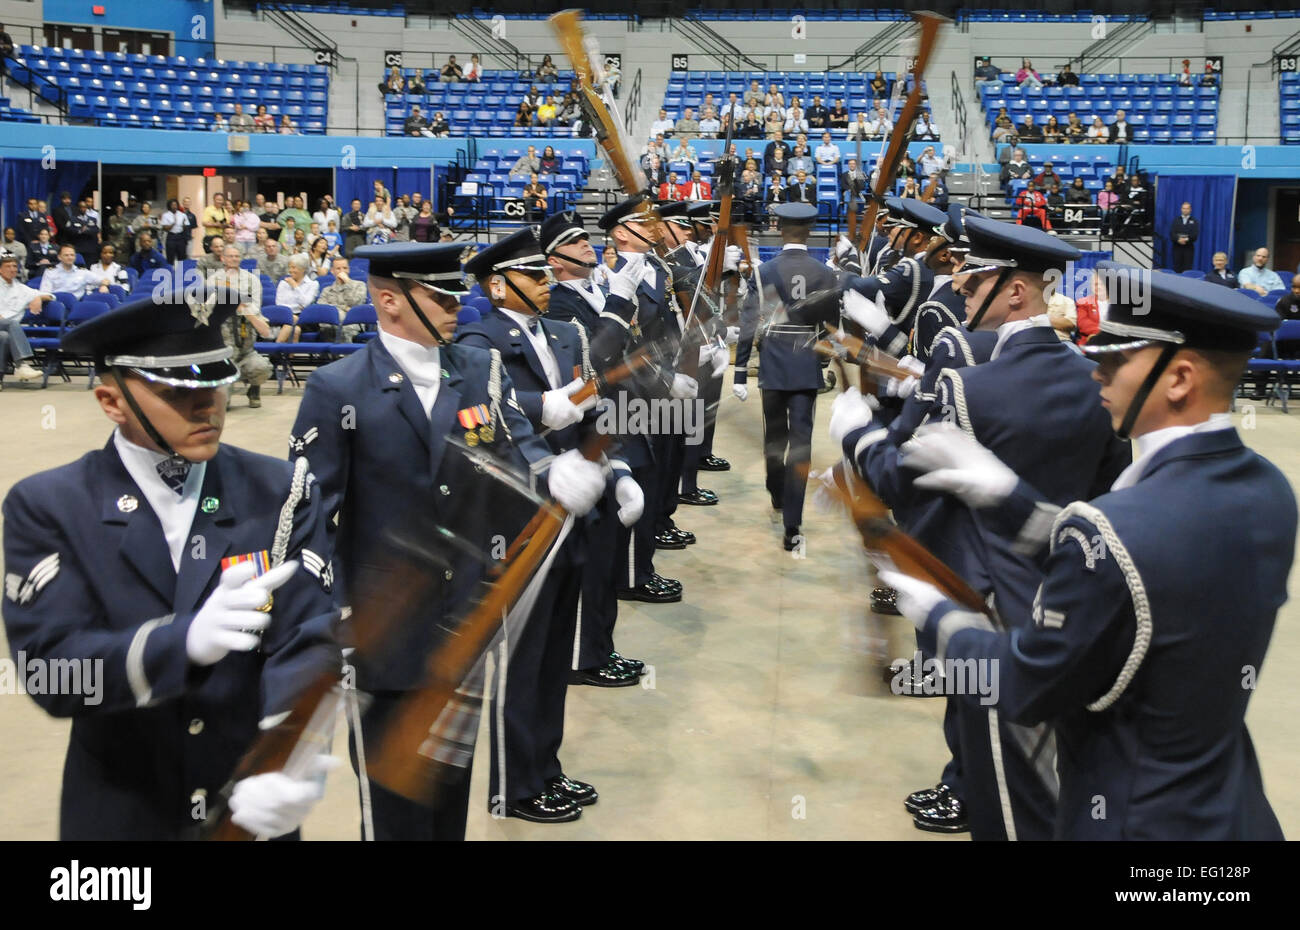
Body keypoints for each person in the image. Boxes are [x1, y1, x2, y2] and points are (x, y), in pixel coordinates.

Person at [882, 266, 1291, 839]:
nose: (1097, 370)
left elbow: (1024, 687)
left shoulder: (1113, 527)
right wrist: (1009, 498)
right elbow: (1147, 570)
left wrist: (941, 614)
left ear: (1179, 379)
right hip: (1233, 814)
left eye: (1117, 359)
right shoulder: (1270, 490)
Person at [289, 240, 603, 839]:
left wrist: (550, 477)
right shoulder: (339, 389)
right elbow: (310, 517)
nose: (455, 306)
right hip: (383, 633)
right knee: (392, 817)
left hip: (463, 626)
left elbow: (511, 451)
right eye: (438, 296)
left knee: (445, 807)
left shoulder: (475, 371)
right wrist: (325, 625)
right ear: (389, 300)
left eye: (456, 294)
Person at [2, 288, 340, 839]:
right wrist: (178, 644)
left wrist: (289, 750)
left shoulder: (280, 489)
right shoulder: (50, 505)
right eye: (176, 390)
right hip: (126, 808)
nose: (205, 406)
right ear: (112, 402)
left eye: (214, 382)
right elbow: (51, 671)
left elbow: (308, 632)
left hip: (248, 798)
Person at [833, 217, 1128, 840]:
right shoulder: (1097, 380)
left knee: (1001, 781)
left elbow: (895, 478)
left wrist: (855, 432)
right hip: (1065, 588)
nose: (961, 295)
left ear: (1015, 292)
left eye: (975, 285)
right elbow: (1108, 491)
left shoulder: (965, 386)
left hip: (982, 592)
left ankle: (965, 790)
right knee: (1051, 760)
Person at [457, 227, 630, 822]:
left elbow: (591, 405)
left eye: (544, 272)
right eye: (533, 276)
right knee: (525, 656)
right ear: (498, 284)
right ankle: (514, 784)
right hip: (521, 511)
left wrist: (615, 466)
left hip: (574, 507)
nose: (546, 282)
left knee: (556, 648)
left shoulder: (564, 330)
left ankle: (545, 768)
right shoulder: (479, 337)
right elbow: (480, 405)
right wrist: (543, 409)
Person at [539, 210, 650, 686]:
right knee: (591, 560)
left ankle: (600, 647)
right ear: (555, 261)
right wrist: (618, 305)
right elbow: (595, 366)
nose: (587, 245)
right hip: (583, 436)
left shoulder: (595, 293)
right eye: (575, 242)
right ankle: (585, 657)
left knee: (605, 557)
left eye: (586, 238)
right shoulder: (560, 305)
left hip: (614, 424)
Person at [731, 203, 839, 552]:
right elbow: (830, 329)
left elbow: (750, 322)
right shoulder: (825, 274)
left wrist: (738, 369)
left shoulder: (764, 272)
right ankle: (794, 524)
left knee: (774, 439)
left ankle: (776, 493)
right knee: (802, 445)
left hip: (774, 365)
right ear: (809, 231)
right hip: (805, 366)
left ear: (779, 229)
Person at [208, 244, 271, 406]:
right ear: (222, 258)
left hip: (245, 345)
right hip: (223, 348)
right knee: (224, 405)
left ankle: (254, 389)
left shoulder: (252, 280)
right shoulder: (213, 280)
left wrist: (242, 307)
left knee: (262, 367)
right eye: (230, 256)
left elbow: (256, 306)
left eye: (237, 256)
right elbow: (207, 307)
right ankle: (224, 394)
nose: (234, 259)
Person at [0, 251, 52, 382]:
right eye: (8, 266)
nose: (12, 269)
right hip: (7, 323)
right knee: (12, 323)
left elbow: (51, 296)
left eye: (14, 266)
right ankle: (21, 364)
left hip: (6, 330)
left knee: (4, 337)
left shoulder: (21, 288)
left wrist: (38, 298)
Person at [317, 255, 368, 342]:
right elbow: (321, 307)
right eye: (338, 268)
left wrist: (348, 283)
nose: (342, 271)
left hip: (353, 322)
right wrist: (344, 308)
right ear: (332, 271)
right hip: (330, 324)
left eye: (345, 268)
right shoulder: (327, 290)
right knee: (326, 325)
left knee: (344, 327)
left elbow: (355, 303)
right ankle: (331, 355)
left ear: (348, 269)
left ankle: (346, 353)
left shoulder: (360, 285)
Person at [275, 253, 319, 343]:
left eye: (293, 267)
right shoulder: (283, 283)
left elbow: (305, 304)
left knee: (294, 320)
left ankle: (275, 349)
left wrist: (295, 286)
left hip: (304, 317)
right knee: (295, 330)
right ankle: (290, 356)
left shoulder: (313, 284)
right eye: (289, 267)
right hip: (284, 315)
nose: (290, 270)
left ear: (303, 269)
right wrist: (295, 306)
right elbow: (279, 303)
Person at [1169, 202, 1199, 273]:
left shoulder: (1195, 221)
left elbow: (1195, 235)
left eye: (1187, 208)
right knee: (1177, 267)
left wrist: (1185, 240)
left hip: (1188, 248)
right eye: (1184, 208)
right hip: (1177, 248)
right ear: (1181, 209)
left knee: (1187, 268)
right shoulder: (1176, 220)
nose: (1185, 210)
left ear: (1190, 209)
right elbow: (1172, 233)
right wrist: (1178, 239)